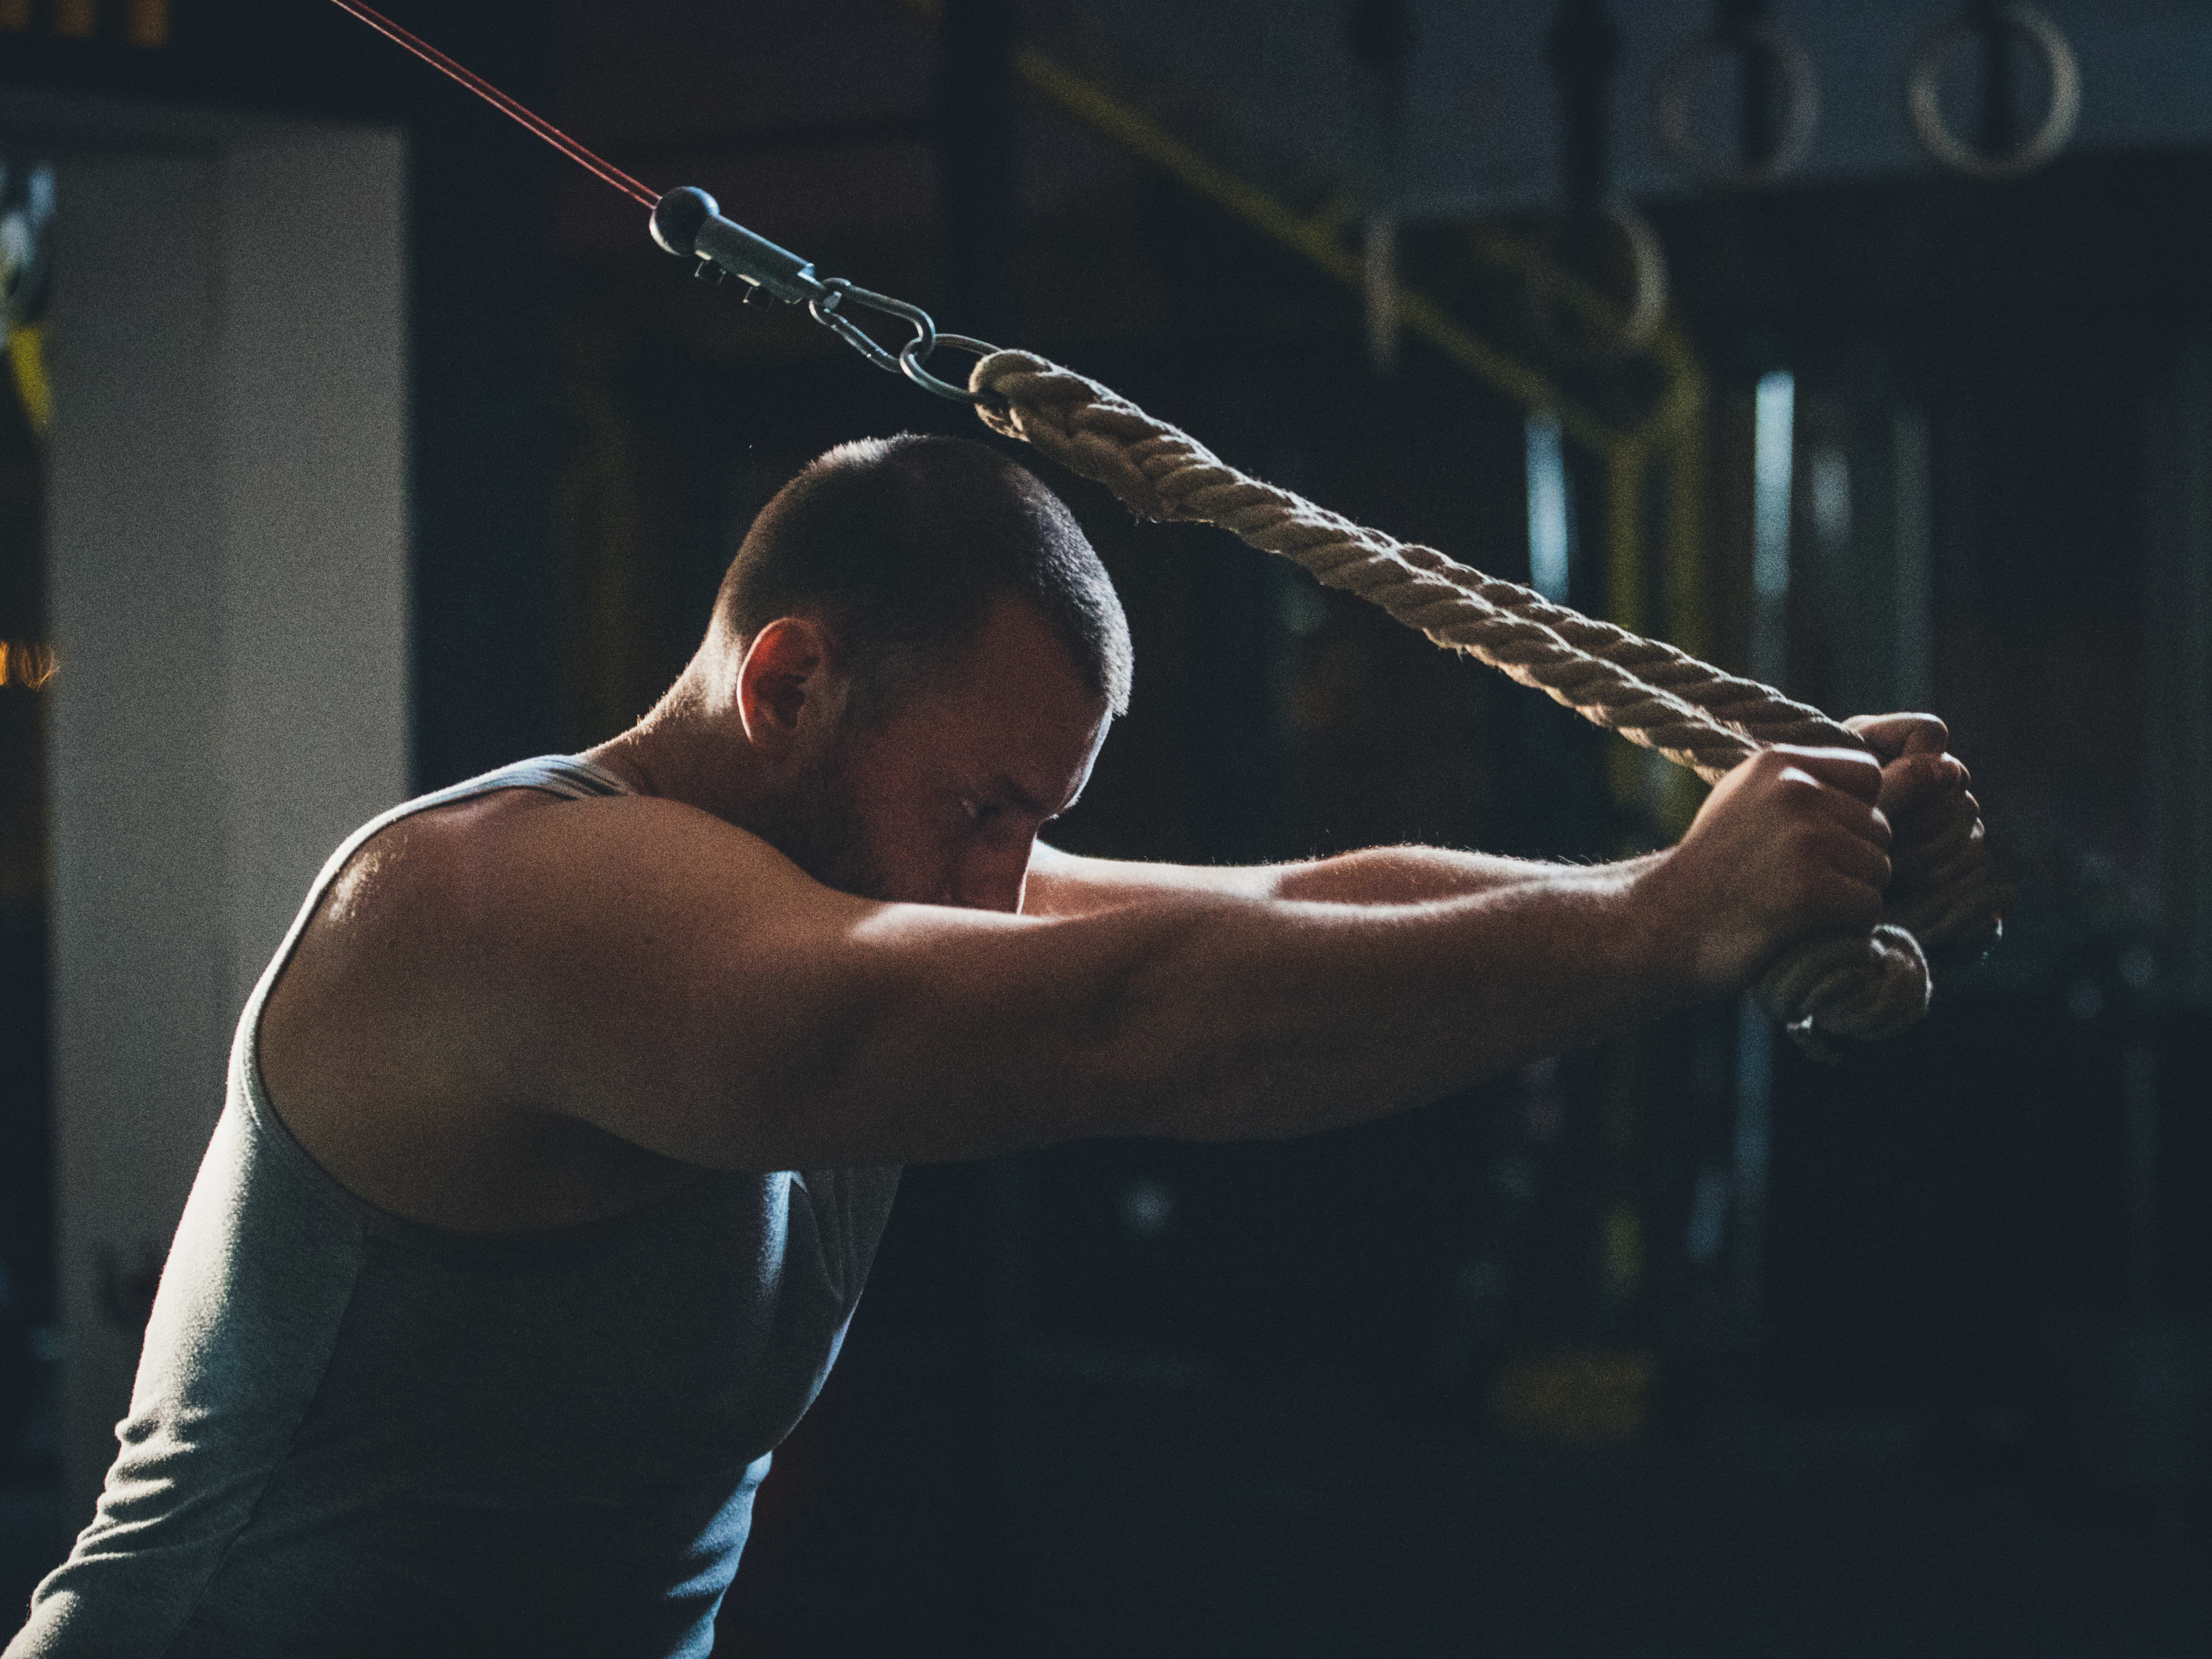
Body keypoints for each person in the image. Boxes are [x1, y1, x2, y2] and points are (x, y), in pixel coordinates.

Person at [8, 434, 1987, 1658]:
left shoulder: (855, 883)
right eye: (983, 806)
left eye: (1037, 818)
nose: (1010, 879)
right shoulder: (499, 906)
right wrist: (1666, 925)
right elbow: (1138, 1026)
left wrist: (1732, 874)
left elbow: (1298, 910)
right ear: (787, 681)